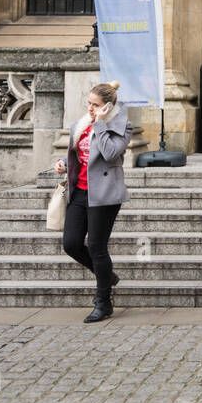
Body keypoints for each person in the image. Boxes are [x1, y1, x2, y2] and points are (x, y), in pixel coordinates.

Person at [54, 81, 133, 323]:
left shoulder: (123, 127)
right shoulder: (81, 125)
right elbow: (79, 155)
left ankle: (103, 302)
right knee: (71, 243)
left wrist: (100, 122)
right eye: (88, 103)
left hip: (105, 195)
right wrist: (62, 164)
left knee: (97, 247)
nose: (90, 108)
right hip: (79, 191)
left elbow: (110, 154)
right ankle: (106, 275)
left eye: (95, 105)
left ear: (107, 107)